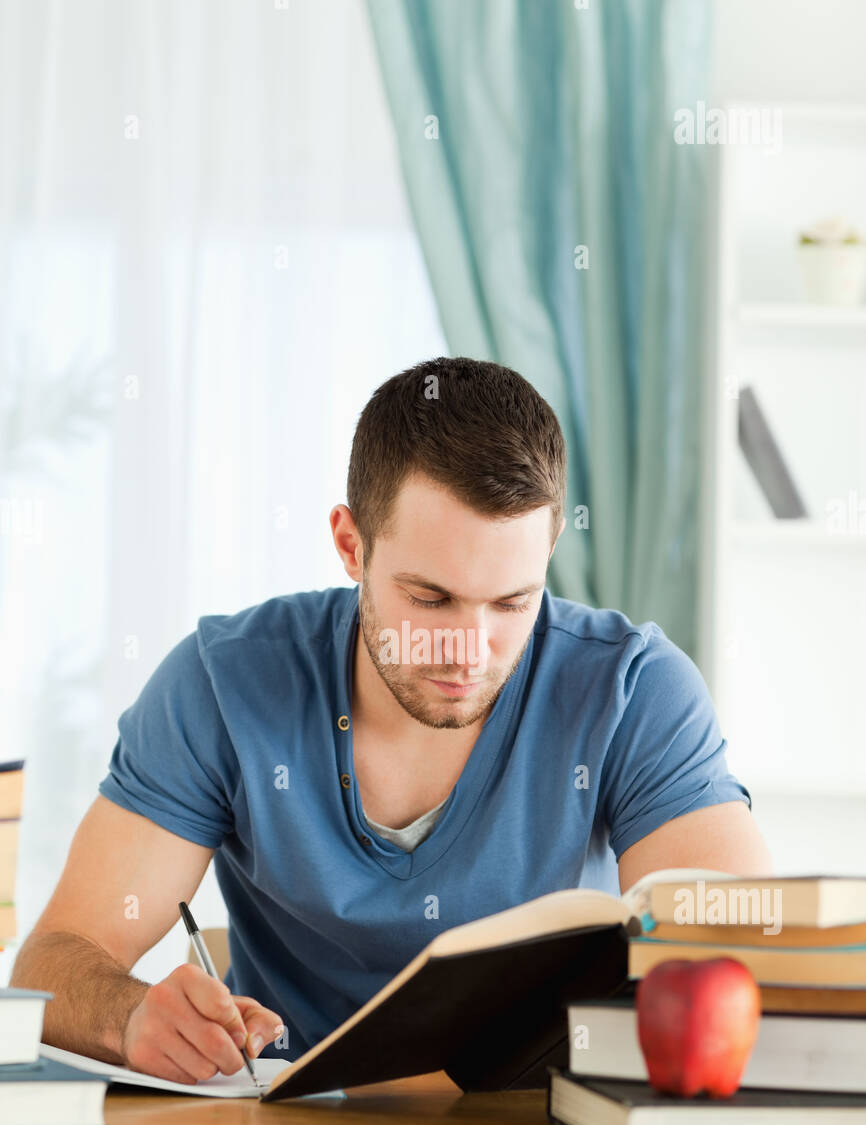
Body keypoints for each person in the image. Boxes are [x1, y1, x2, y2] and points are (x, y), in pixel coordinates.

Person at [12, 357, 773, 1083]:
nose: (469, 652)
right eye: (431, 598)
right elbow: (52, 961)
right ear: (350, 544)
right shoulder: (224, 684)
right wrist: (132, 1015)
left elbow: (735, 957)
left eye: (512, 602)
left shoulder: (634, 690)